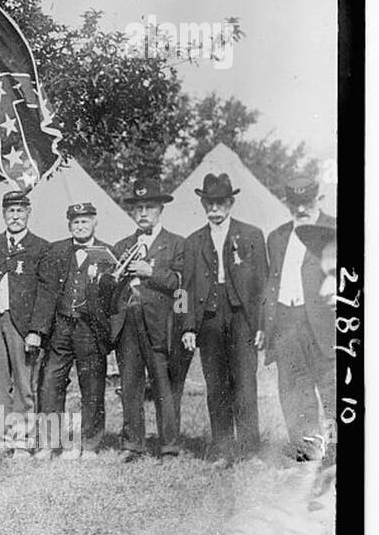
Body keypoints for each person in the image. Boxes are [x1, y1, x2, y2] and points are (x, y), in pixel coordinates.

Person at [178, 173, 270, 464]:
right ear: (203, 204)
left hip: (242, 316)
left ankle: (250, 450)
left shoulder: (251, 235)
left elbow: (263, 285)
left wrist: (262, 325)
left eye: (220, 203)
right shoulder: (193, 242)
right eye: (209, 203)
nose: (214, 209)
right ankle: (223, 449)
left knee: (245, 383)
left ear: (230, 203)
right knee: (216, 384)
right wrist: (187, 326)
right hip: (209, 319)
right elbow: (184, 290)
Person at [109, 178, 187, 461]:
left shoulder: (176, 244)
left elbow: (181, 283)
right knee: (130, 384)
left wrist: (149, 270)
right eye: (138, 208)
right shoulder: (121, 245)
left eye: (149, 207)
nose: (143, 213)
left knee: (163, 385)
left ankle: (169, 446)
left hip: (159, 323)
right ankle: (133, 445)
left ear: (160, 210)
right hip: (128, 322)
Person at [33, 202, 117, 459]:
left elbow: (113, 298)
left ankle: (90, 444)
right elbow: (46, 292)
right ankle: (49, 443)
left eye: (85, 221)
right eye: (75, 222)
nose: (80, 226)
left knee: (92, 385)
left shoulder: (105, 253)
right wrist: (38, 329)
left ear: (95, 222)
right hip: (61, 326)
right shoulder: (56, 250)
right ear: (69, 225)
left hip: (89, 328)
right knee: (50, 382)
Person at [262, 175, 336, 460]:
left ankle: (337, 453)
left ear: (317, 199)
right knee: (295, 390)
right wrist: (265, 326)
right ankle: (307, 452)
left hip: (324, 324)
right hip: (287, 323)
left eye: (306, 202)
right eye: (295, 204)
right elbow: (272, 283)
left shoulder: (336, 228)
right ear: (287, 203)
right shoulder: (277, 236)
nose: (301, 209)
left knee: (331, 390)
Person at [0, 189, 50, 448]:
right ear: (3, 214)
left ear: (29, 213)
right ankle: (3, 439)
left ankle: (23, 441)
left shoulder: (40, 247)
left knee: (22, 381)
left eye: (20, 210)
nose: (15, 216)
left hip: (21, 321)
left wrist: (36, 330)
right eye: (11, 211)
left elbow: (45, 293)